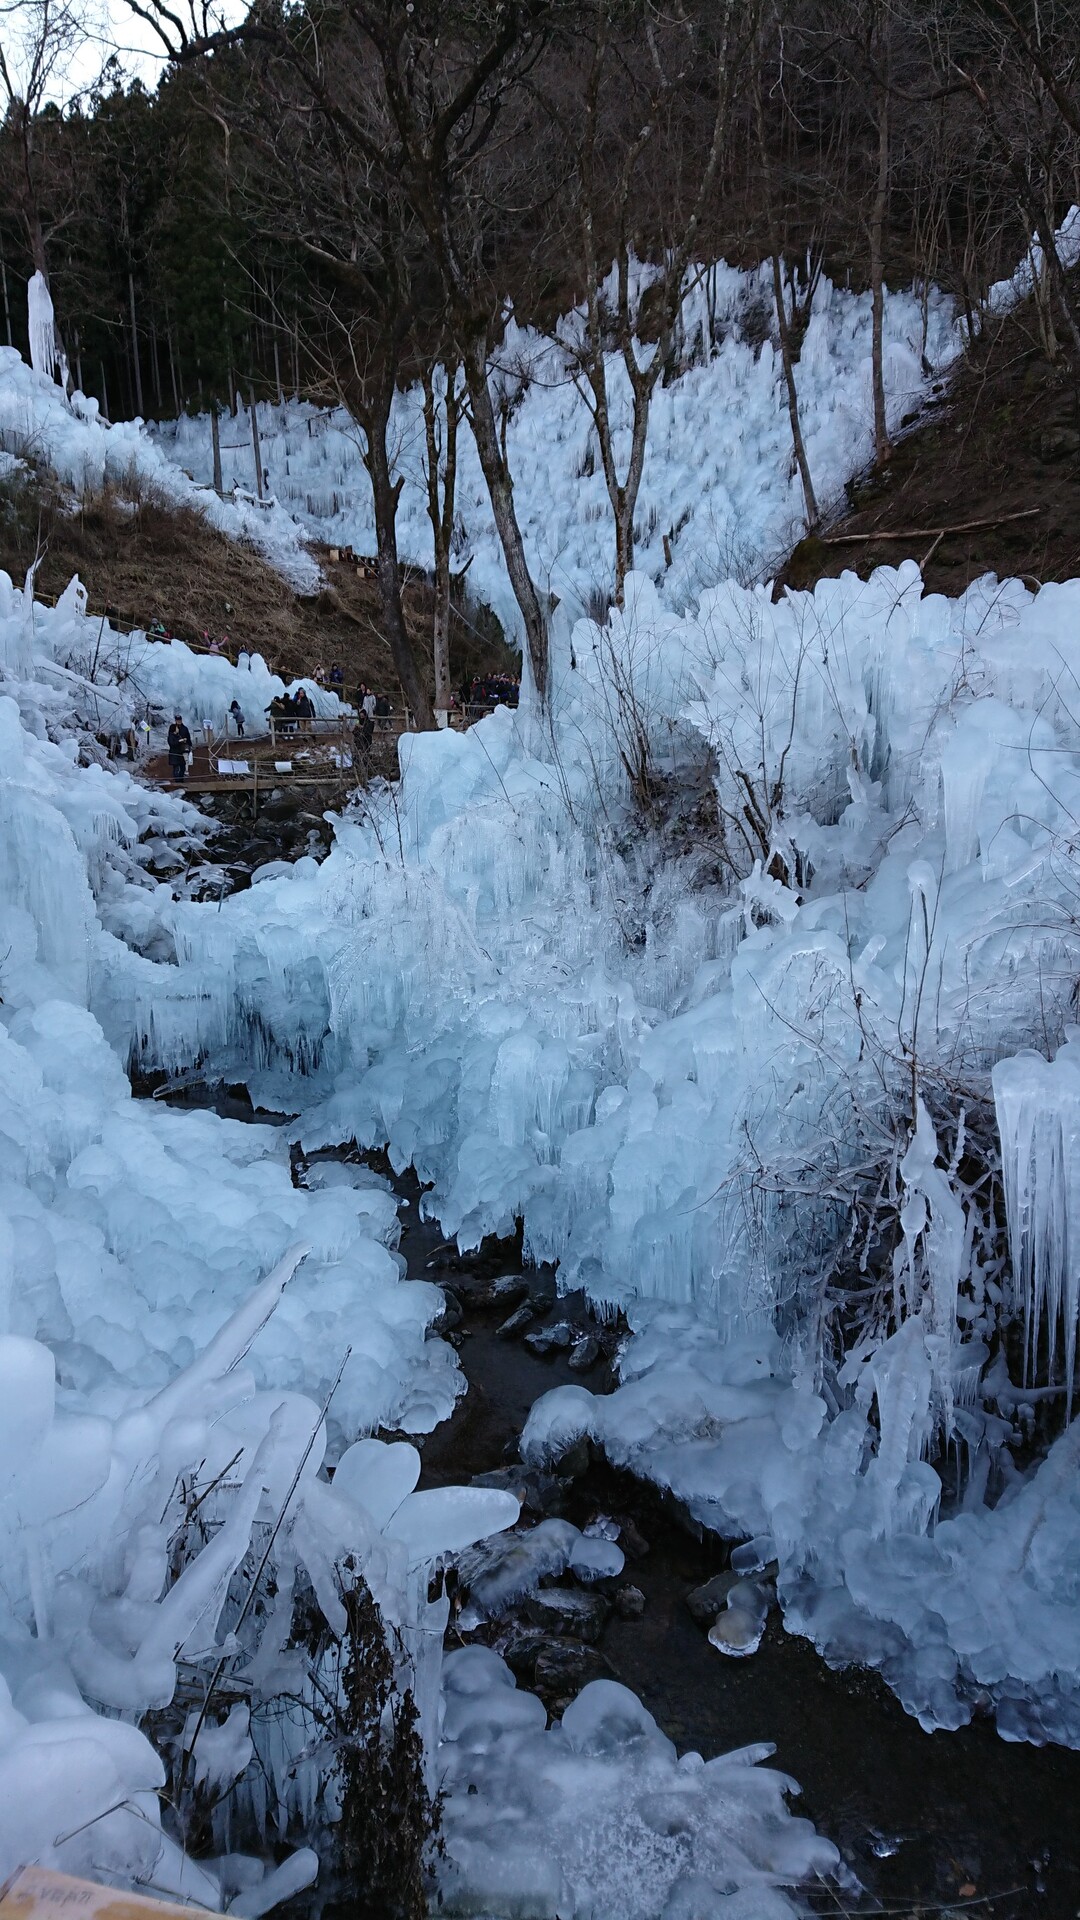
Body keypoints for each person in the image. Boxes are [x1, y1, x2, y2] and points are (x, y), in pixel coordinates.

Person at [167, 714, 192, 782]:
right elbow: (172, 742)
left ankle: (181, 778)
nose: (178, 721)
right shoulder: (173, 730)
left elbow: (188, 737)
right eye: (177, 720)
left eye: (179, 720)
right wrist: (179, 741)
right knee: (177, 767)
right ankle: (178, 780)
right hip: (176, 752)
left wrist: (189, 745)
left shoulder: (184, 729)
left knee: (184, 764)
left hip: (183, 749)